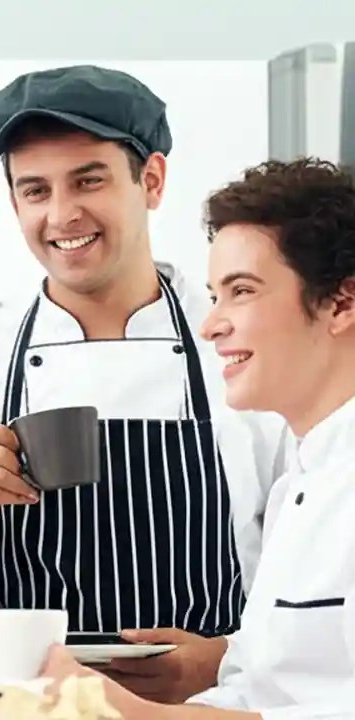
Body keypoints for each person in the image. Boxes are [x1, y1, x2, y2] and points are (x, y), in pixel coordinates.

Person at [0, 64, 289, 702]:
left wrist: (224, 661)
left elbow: (314, 572)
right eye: (35, 190)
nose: (62, 215)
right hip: (24, 708)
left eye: (88, 181)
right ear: (14, 202)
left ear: (151, 181)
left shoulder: (235, 350)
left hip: (210, 706)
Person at [43, 156, 355, 718]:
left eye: (242, 291)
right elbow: (255, 693)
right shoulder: (301, 485)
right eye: (214, 296)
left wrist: (137, 715)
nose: (211, 324)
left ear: (341, 303)